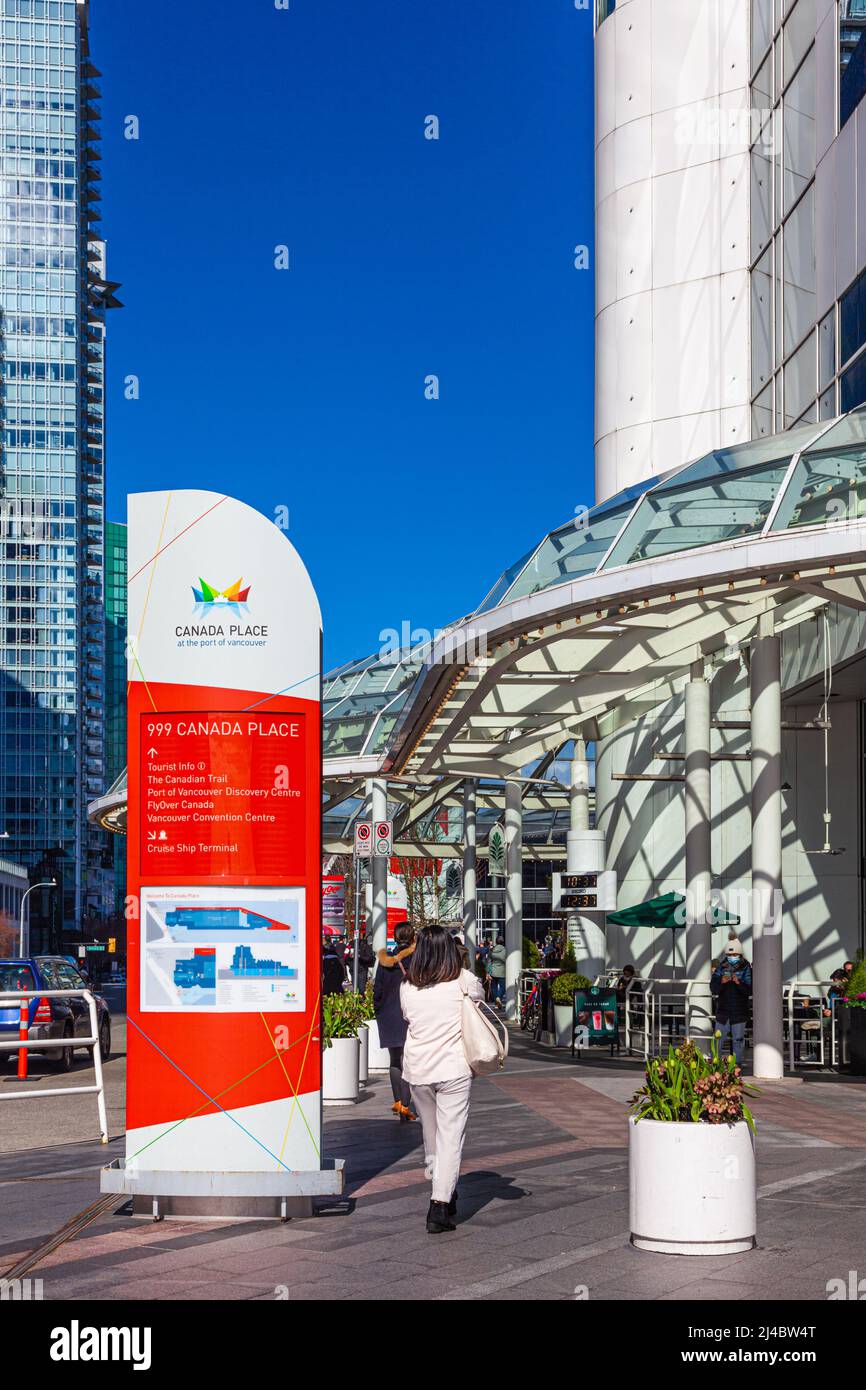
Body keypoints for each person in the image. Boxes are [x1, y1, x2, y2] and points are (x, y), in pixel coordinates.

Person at [401, 924, 484, 1234]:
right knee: (451, 1136)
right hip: (453, 1069)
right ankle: (439, 1205)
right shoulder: (462, 981)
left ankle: (444, 1189)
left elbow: (407, 1017)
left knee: (432, 1134)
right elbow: (480, 996)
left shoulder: (408, 987)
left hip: (418, 1071)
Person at [373, 922, 417, 1121]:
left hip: (389, 1014)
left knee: (394, 1060)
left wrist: (379, 1010)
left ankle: (398, 1101)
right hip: (412, 1014)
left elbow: (377, 990)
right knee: (409, 1061)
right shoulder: (418, 959)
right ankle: (406, 1106)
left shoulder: (386, 960)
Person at [710, 936, 752, 1068]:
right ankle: (714, 1064)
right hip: (723, 1011)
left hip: (739, 1011)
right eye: (729, 954)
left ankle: (736, 1065)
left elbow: (750, 990)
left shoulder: (746, 968)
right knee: (718, 1040)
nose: (731, 956)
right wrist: (721, 982)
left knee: (738, 1040)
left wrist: (738, 982)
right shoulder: (721, 967)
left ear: (739, 954)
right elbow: (713, 988)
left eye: (734, 954)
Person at [349, 929, 375, 994]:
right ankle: (356, 1002)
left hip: (362, 970)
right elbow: (345, 957)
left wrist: (360, 957)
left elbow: (369, 958)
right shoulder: (350, 945)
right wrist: (349, 958)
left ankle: (361, 1002)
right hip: (353, 969)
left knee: (361, 990)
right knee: (355, 989)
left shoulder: (365, 946)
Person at [487, 933, 507, 1009]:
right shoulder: (505, 950)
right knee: (502, 987)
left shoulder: (492, 950)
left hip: (493, 971)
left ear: (496, 942)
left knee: (494, 987)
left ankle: (496, 1001)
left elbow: (488, 962)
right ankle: (499, 998)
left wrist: (488, 972)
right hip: (502, 971)